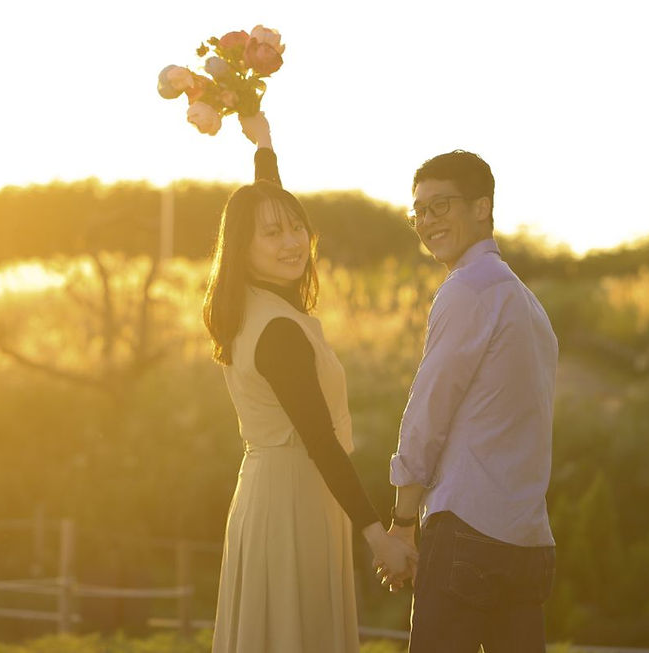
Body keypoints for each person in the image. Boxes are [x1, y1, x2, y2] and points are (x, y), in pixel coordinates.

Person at [203, 111, 417, 653]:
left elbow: (263, 209)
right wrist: (378, 537)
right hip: (295, 497)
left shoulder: (254, 305)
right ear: (243, 246)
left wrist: (265, 147)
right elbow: (321, 442)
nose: (292, 241)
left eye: (297, 226)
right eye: (272, 233)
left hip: (271, 489)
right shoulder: (279, 332)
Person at [380, 150, 558, 652]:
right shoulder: (528, 303)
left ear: (482, 207)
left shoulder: (467, 291)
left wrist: (402, 522)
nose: (427, 221)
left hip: (467, 534)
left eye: (441, 206)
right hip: (527, 542)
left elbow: (428, 414)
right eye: (419, 211)